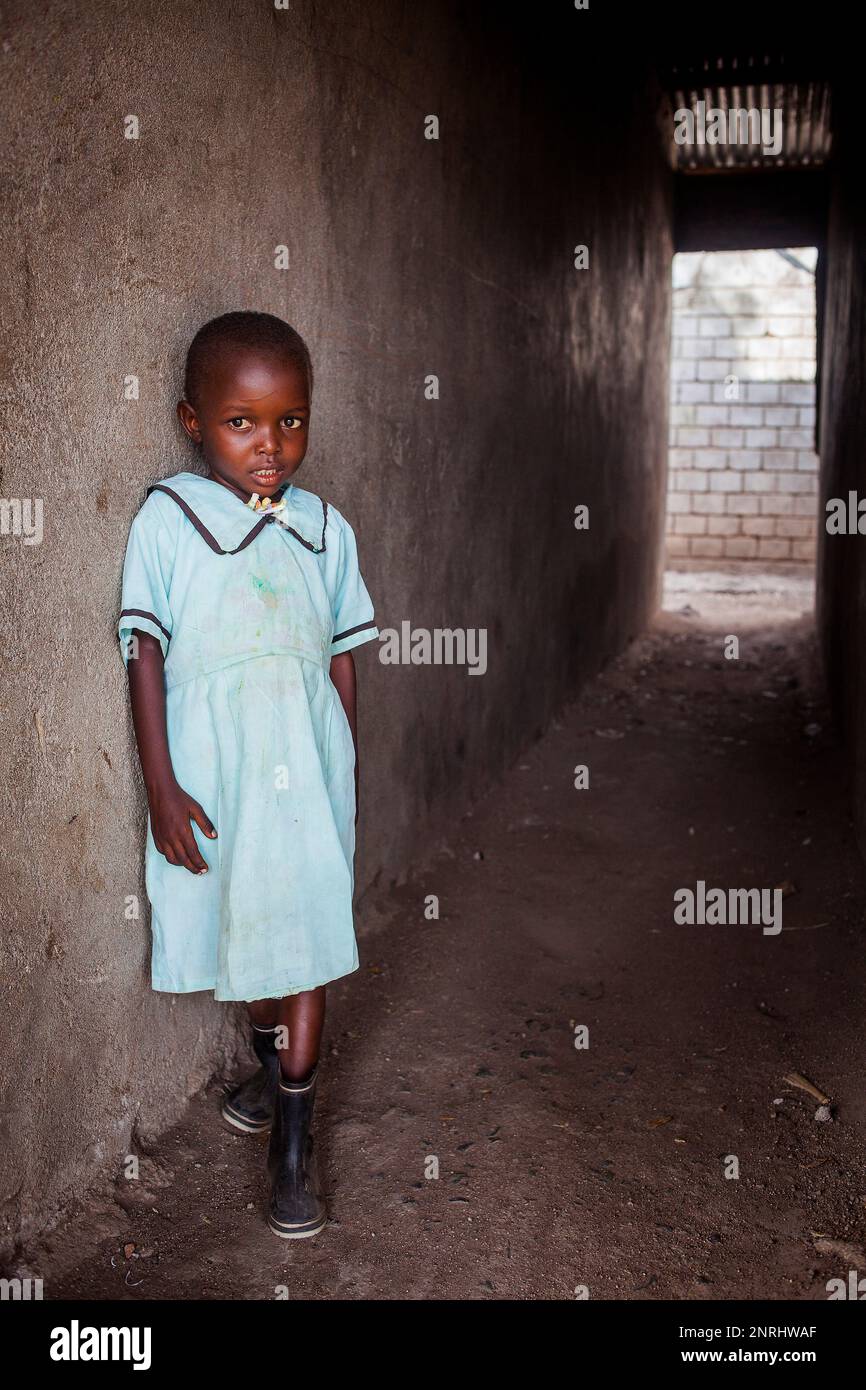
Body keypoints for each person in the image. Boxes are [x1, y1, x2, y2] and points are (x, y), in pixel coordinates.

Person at [117, 310, 379, 1238]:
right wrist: (160, 785)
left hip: (307, 775)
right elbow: (144, 651)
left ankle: (294, 1148)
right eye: (242, 422)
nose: (270, 446)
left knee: (304, 938)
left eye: (291, 422)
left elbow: (344, 655)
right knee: (248, 931)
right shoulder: (168, 518)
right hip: (219, 779)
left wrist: (342, 762)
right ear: (194, 422)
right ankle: (273, 1078)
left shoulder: (324, 528)